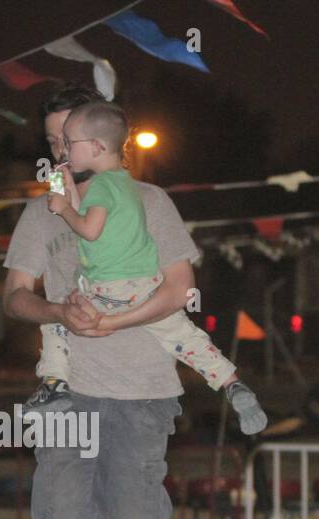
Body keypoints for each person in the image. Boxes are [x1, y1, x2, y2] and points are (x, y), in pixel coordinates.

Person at [3, 83, 201, 519]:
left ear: (99, 141)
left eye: (70, 140)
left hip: (143, 388)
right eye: (52, 142)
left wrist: (114, 319)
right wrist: (59, 311)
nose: (61, 153)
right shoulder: (41, 212)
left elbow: (180, 288)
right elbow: (14, 297)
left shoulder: (150, 201)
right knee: (65, 518)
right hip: (67, 387)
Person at [30, 100, 267, 435]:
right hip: (145, 285)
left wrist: (65, 208)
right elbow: (101, 216)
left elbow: (89, 228)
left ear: (96, 147)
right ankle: (231, 382)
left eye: (70, 143)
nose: (63, 149)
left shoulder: (99, 187)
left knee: (56, 320)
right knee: (184, 336)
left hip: (106, 289)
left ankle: (54, 384)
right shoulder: (125, 184)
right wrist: (65, 187)